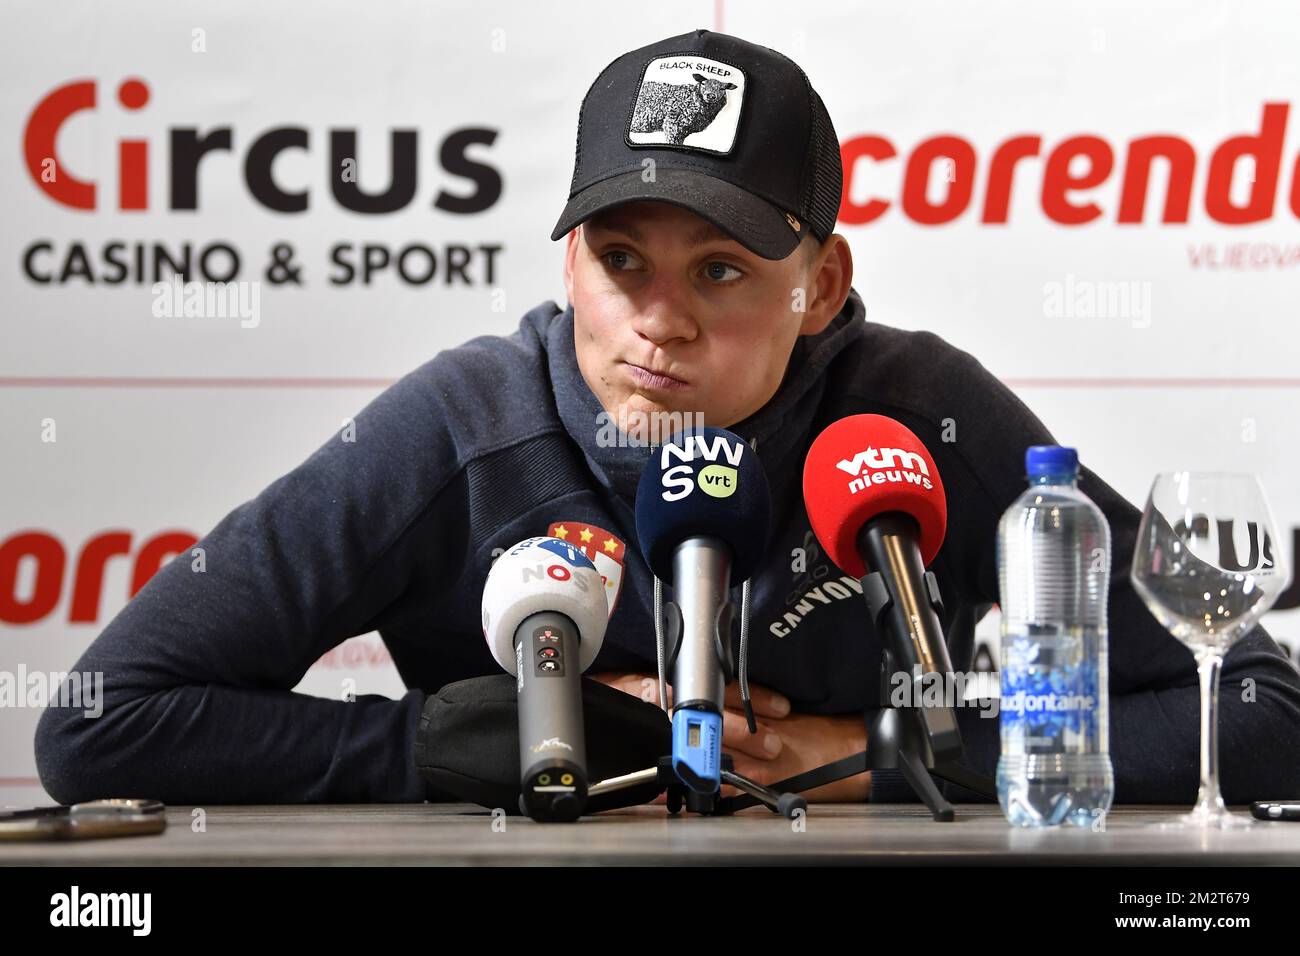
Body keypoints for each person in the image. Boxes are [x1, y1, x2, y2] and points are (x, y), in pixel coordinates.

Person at [35, 29, 1300, 807]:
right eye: (619, 258)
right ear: (567, 263)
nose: (659, 321)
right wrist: (481, 740)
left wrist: (878, 750)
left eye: (722, 271)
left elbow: (1257, 711)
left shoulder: (916, 414)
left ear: (823, 287)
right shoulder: (460, 429)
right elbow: (99, 720)